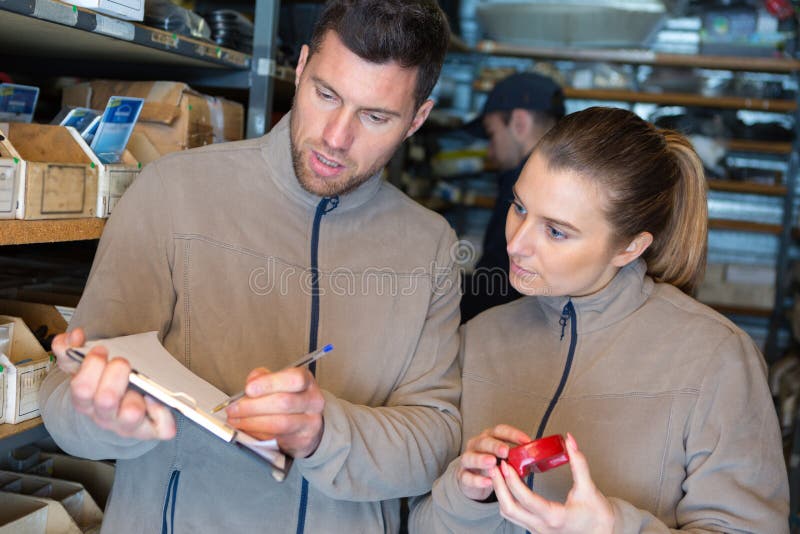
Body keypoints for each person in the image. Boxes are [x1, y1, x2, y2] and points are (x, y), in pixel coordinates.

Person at [39, 1, 462, 533]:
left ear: (417, 119)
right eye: (325, 94)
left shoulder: (430, 247)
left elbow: (435, 440)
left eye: (375, 116)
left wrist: (323, 433)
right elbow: (63, 396)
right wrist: (99, 418)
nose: (336, 136)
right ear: (302, 67)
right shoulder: (174, 192)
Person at [410, 106, 789, 533]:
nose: (516, 244)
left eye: (556, 231)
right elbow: (422, 524)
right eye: (519, 207)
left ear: (629, 248)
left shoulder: (717, 358)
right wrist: (465, 498)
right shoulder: (478, 338)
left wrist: (614, 529)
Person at [461, 71, 565, 323]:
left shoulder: (521, 187)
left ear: (519, 123)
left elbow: (495, 288)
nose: (490, 151)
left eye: (491, 133)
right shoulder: (567, 181)